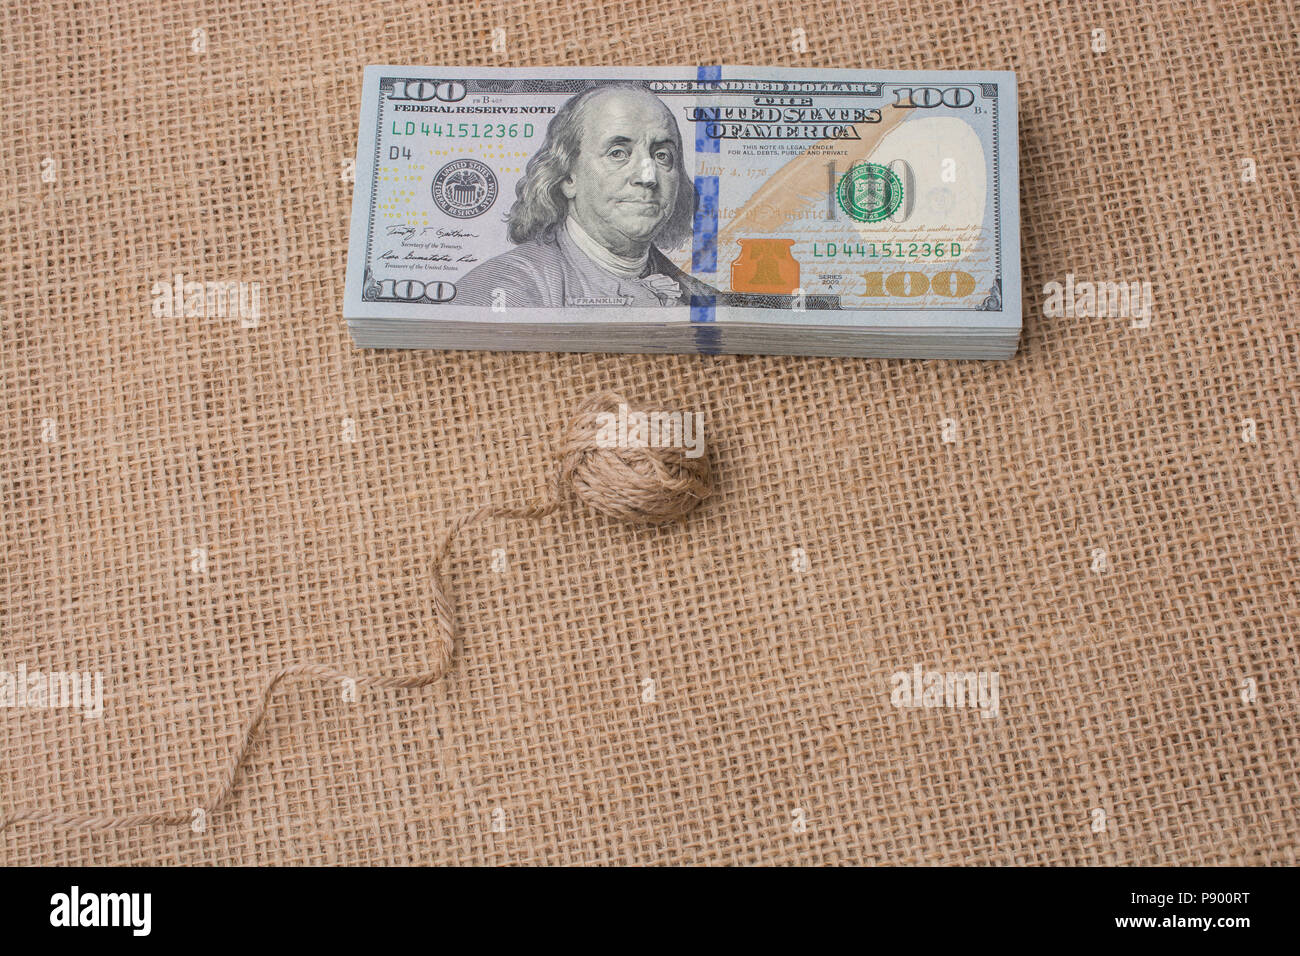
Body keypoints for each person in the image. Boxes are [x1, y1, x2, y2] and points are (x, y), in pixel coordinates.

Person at [454, 85, 717, 308]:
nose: (648, 177)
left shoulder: (704, 300)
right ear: (568, 177)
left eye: (662, 156)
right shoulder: (508, 288)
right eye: (618, 153)